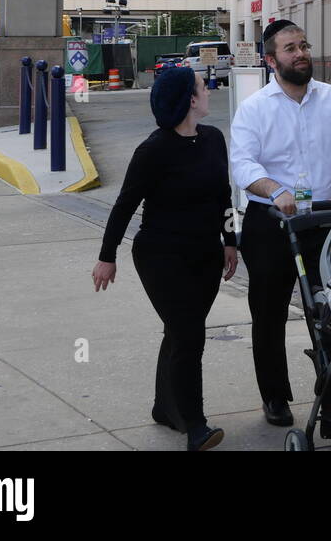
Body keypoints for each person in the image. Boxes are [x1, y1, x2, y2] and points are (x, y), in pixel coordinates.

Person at [230, 19, 331, 427]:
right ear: (271, 60)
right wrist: (274, 189)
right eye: (290, 48)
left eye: (304, 45)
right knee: (269, 312)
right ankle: (275, 397)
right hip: (272, 221)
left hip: (327, 220)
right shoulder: (255, 108)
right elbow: (242, 162)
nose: (301, 53)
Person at [91, 67, 237, 452]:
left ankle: (164, 407)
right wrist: (107, 257)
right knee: (190, 335)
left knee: (180, 331)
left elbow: (224, 196)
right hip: (161, 257)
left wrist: (231, 241)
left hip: (205, 254)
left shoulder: (214, 139)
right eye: (204, 87)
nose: (209, 92)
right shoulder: (153, 150)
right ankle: (195, 426)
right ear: (190, 99)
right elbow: (124, 206)